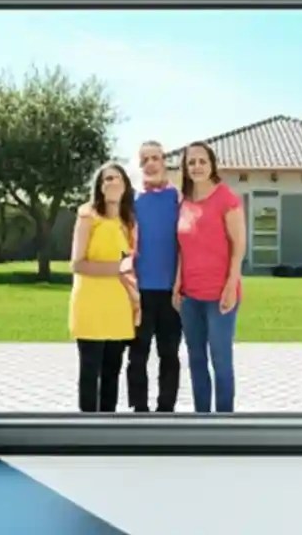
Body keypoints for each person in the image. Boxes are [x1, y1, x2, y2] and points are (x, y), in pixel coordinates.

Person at [175, 141, 246, 413]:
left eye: (202, 161)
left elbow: (239, 246)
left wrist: (231, 285)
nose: (197, 167)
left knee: (221, 360)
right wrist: (177, 283)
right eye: (191, 162)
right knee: (195, 359)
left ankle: (225, 422)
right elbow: (183, 245)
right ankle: (201, 418)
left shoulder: (225, 197)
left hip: (220, 296)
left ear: (212, 164)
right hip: (190, 297)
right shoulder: (184, 201)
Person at [69, 163, 141, 413]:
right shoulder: (87, 215)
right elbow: (77, 264)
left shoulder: (129, 222)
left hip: (118, 306)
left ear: (125, 185)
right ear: (99, 187)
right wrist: (116, 270)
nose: (112, 182)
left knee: (112, 372)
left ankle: (108, 428)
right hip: (90, 304)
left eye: (117, 178)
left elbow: (128, 263)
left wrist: (134, 300)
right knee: (90, 372)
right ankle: (86, 432)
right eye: (106, 179)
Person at [126, 141, 183, 413]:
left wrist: (180, 284)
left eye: (156, 158)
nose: (151, 163)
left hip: (172, 291)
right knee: (137, 355)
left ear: (164, 162)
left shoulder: (179, 199)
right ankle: (139, 409)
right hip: (138, 291)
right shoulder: (132, 202)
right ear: (140, 165)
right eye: (145, 159)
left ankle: (166, 410)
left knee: (169, 355)